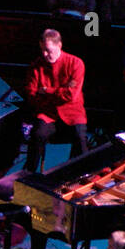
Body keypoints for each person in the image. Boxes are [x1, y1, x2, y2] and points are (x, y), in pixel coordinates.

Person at [11, 29, 87, 173]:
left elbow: (71, 95)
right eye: (42, 50)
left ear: (59, 46)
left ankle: (79, 174)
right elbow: (32, 95)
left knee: (81, 139)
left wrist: (46, 91)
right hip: (47, 113)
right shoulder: (36, 66)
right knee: (37, 135)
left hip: (72, 113)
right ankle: (29, 173)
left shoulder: (76, 63)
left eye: (48, 50)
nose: (45, 54)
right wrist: (58, 92)